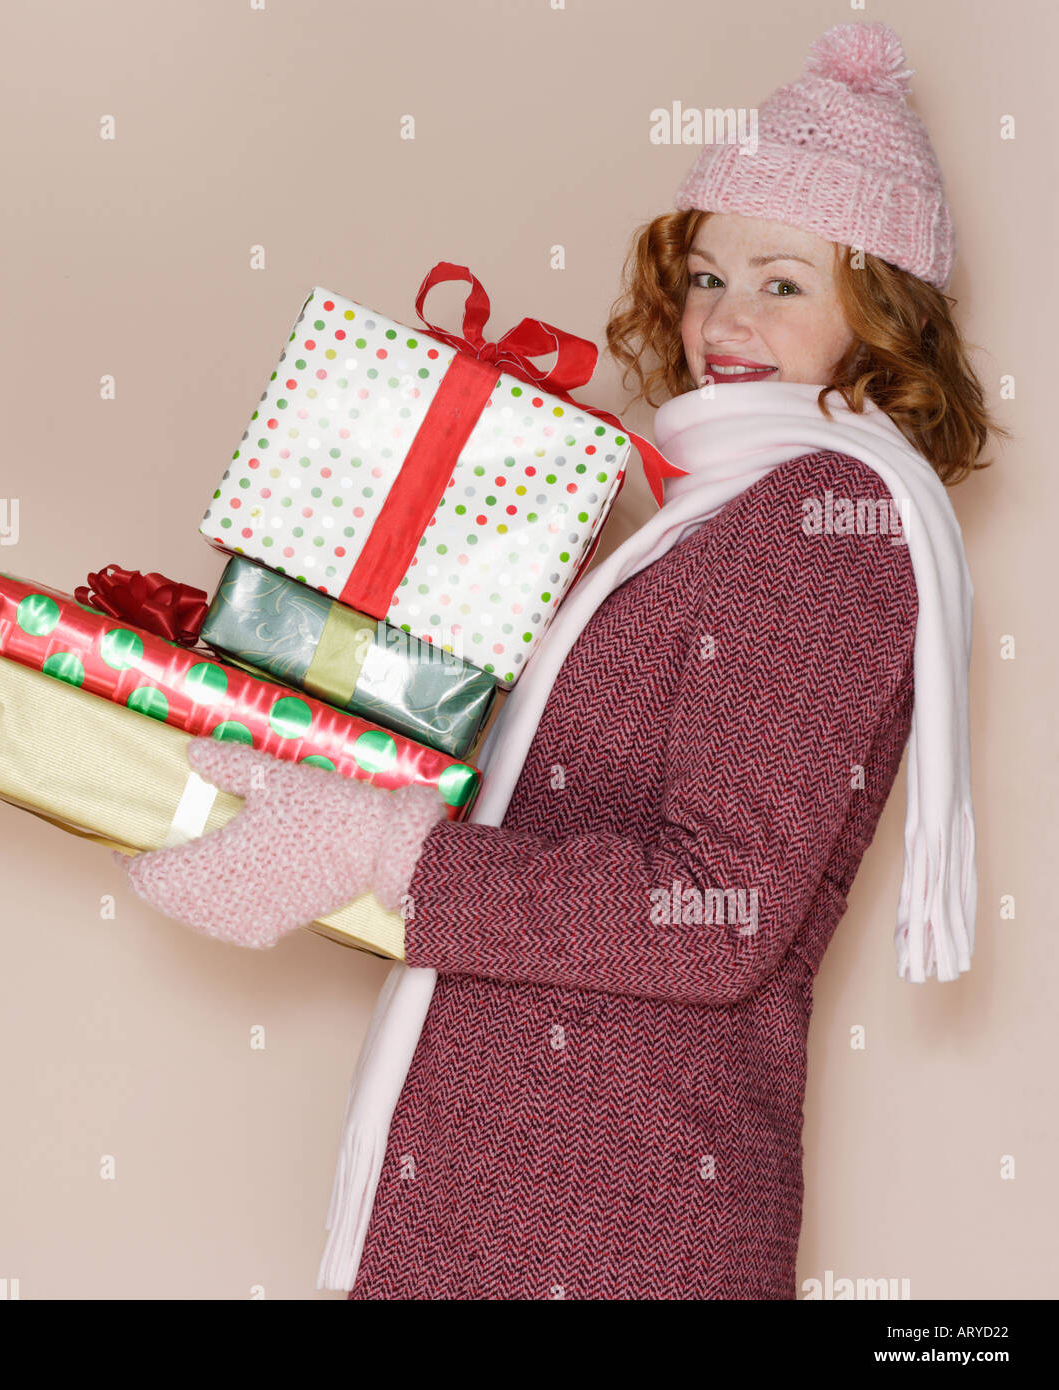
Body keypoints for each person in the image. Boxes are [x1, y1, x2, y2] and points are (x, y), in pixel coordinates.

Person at [118, 22, 1002, 1299]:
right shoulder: (723, 511)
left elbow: (723, 912)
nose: (723, 317)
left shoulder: (824, 523)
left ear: (883, 317)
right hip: (536, 1189)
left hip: (609, 1213)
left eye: (782, 280)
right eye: (703, 276)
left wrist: (386, 852)